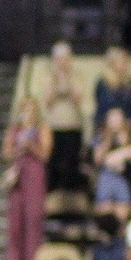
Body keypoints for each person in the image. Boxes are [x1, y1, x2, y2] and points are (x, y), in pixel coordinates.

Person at [5, 99, 53, 260]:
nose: (28, 112)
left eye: (31, 109)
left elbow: (45, 155)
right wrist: (18, 149)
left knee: (33, 217)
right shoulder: (15, 129)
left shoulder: (42, 129)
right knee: (15, 218)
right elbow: (6, 152)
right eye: (25, 109)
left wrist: (31, 145)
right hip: (19, 174)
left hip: (34, 173)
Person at [39, 41, 86, 198]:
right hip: (55, 125)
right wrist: (56, 80)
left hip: (73, 125)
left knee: (71, 161)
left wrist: (68, 80)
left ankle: (70, 193)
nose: (62, 62)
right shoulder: (49, 77)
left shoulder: (76, 75)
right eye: (59, 59)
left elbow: (77, 97)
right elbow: (48, 101)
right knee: (54, 162)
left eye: (65, 58)